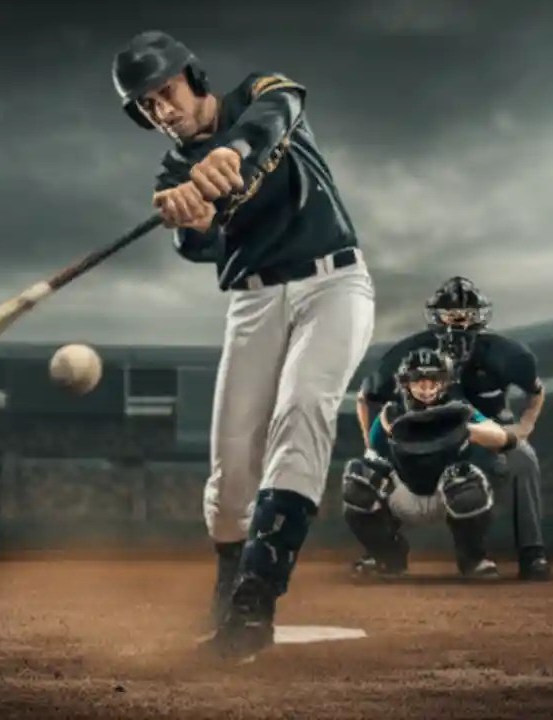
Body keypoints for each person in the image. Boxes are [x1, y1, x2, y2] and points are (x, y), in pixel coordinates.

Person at [112, 30, 375, 660]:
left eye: (166, 91)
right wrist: (194, 220)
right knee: (232, 472)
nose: (162, 110)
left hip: (333, 283)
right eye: (147, 105)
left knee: (303, 408)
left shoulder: (259, 91)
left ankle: (256, 603)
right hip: (253, 301)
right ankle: (231, 582)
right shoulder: (173, 172)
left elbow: (280, 109)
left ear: (193, 76)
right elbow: (199, 246)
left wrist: (231, 151)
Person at [355, 277, 552, 581]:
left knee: (523, 457)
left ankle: (531, 551)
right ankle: (383, 551)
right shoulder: (406, 353)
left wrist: (524, 427)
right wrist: (373, 446)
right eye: (450, 316)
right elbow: (365, 397)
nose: (458, 324)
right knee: (369, 473)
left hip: (482, 432)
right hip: (423, 433)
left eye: (466, 316)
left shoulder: (508, 354)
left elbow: (536, 391)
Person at [343, 347, 518, 580]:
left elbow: (503, 437)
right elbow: (373, 459)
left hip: (446, 493)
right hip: (404, 493)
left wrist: (467, 431)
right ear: (406, 384)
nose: (426, 389)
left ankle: (473, 558)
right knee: (358, 481)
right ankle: (387, 556)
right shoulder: (390, 414)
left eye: (432, 382)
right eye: (419, 382)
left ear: (443, 383)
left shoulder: (458, 411)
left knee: (466, 480)